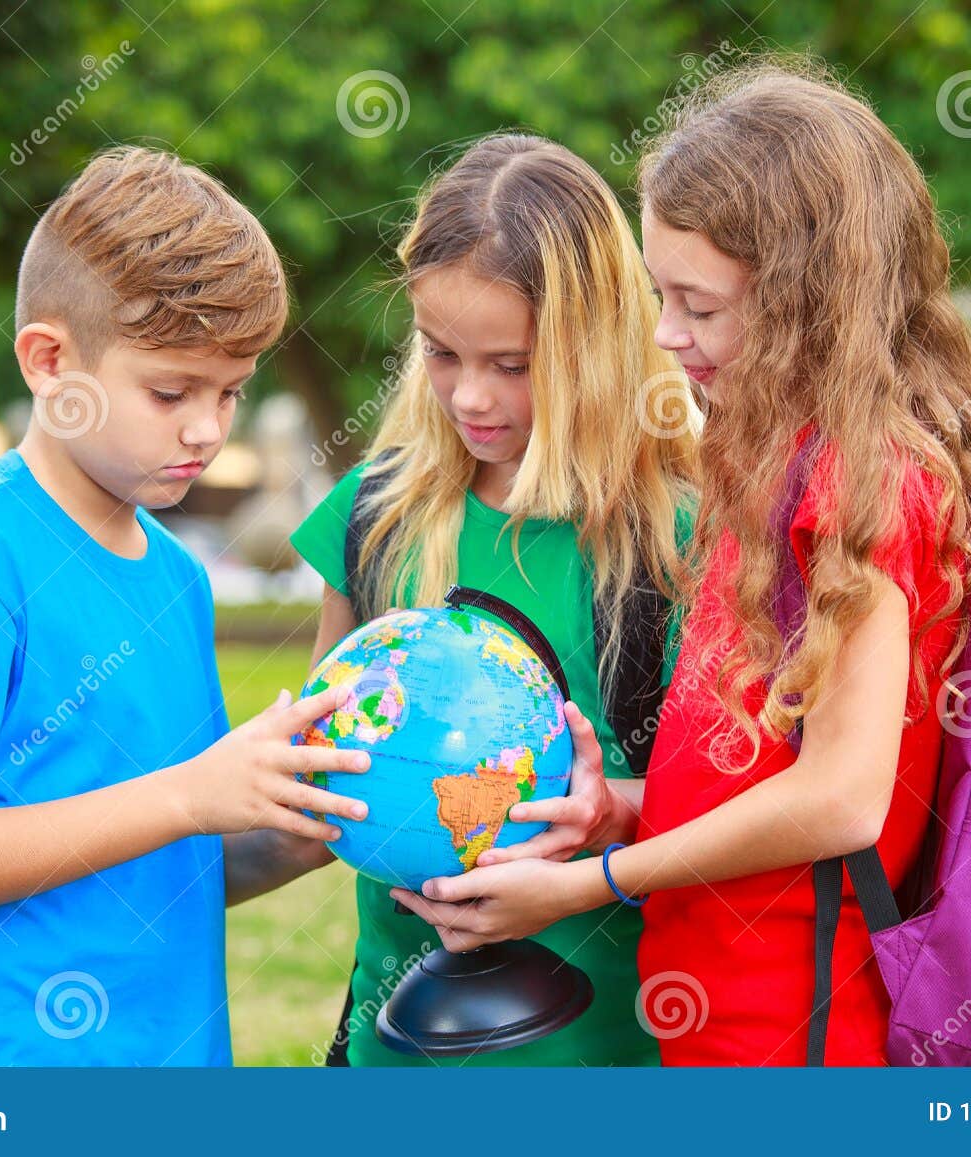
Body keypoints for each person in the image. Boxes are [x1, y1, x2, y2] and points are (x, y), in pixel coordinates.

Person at [391, 57, 971, 1066]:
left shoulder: (860, 480)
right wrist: (615, 806)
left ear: (803, 300)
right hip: (718, 1015)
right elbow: (753, 766)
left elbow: (840, 795)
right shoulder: (774, 464)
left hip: (799, 1033)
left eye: (698, 305)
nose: (665, 333)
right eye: (662, 295)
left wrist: (590, 882)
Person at [0, 146, 369, 1066]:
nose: (207, 427)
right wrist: (190, 793)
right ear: (49, 361)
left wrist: (292, 830)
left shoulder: (178, 580)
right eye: (170, 391)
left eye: (232, 391)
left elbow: (155, 860)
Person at [285, 133, 700, 1066]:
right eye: (442, 353)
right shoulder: (375, 516)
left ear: (596, 346)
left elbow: (742, 811)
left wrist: (614, 816)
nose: (471, 396)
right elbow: (324, 774)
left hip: (604, 1058)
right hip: (394, 1052)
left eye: (512, 364)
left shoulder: (678, 542)